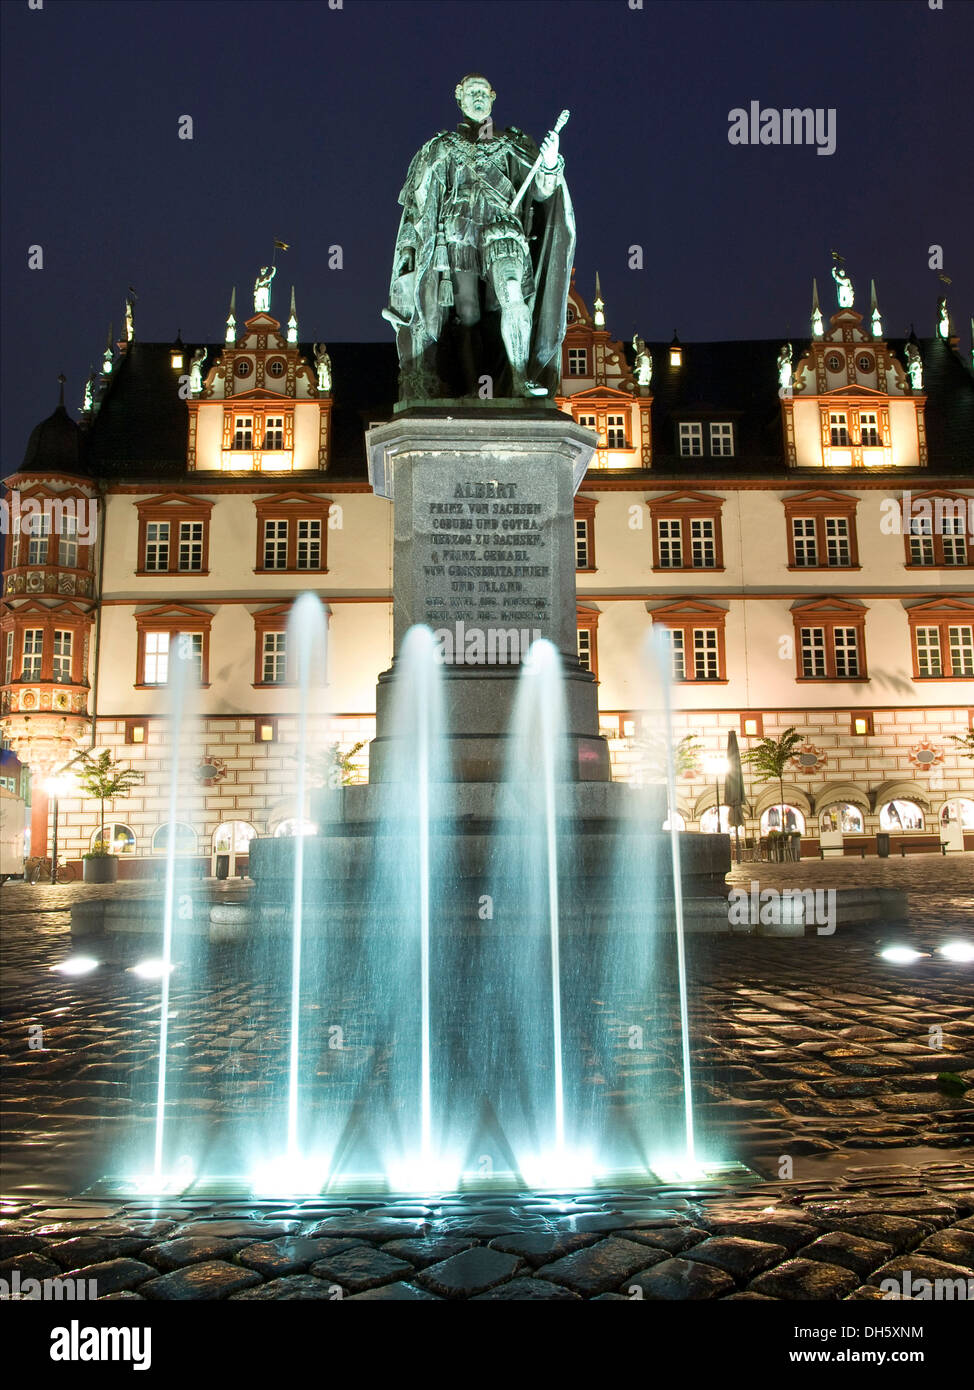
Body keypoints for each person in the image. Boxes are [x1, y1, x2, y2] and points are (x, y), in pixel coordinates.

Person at [383, 74, 575, 399]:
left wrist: (552, 160)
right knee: (469, 311)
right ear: (458, 97)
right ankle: (474, 391)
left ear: (493, 97)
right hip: (458, 231)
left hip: (502, 228)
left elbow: (543, 193)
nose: (477, 98)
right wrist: (411, 248)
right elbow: (418, 206)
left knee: (511, 296)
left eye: (483, 93)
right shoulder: (442, 147)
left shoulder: (512, 144)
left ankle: (517, 381)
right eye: (471, 92)